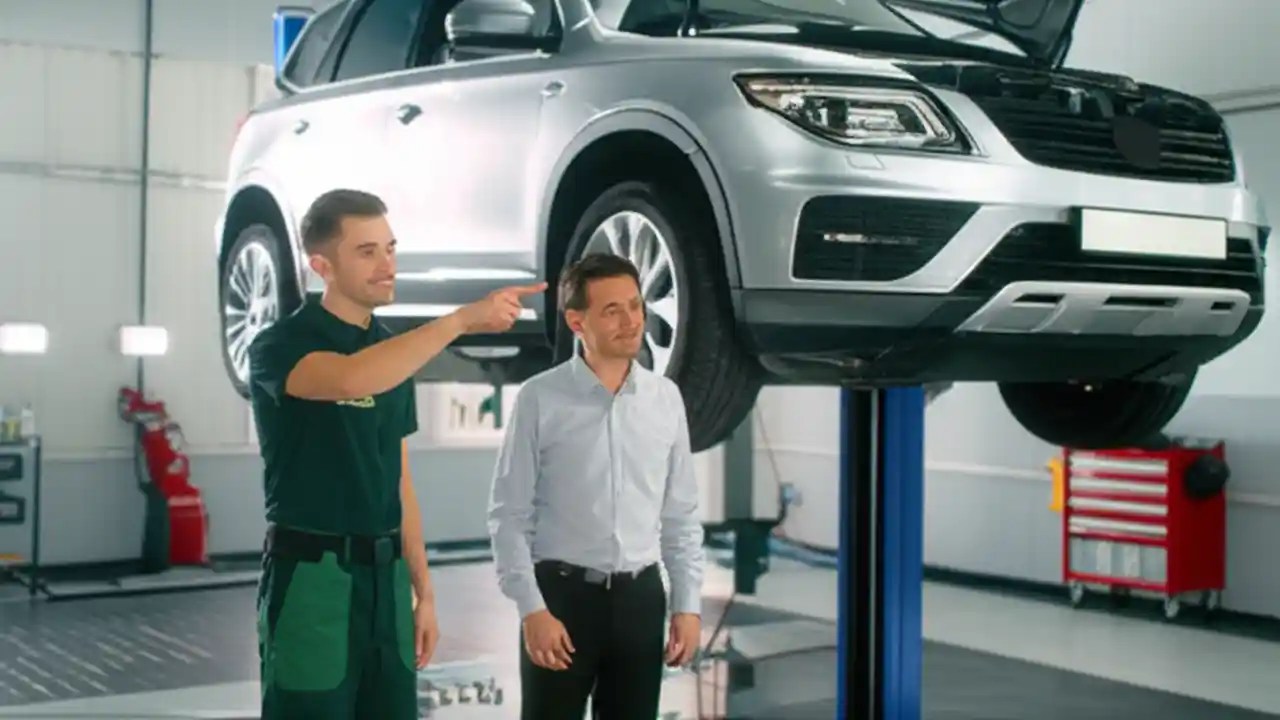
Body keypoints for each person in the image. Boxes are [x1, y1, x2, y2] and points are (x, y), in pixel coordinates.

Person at [247, 188, 545, 719]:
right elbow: (346, 378)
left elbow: (399, 479)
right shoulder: (280, 345)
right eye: (366, 252)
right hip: (315, 579)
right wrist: (460, 320)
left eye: (390, 247)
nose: (387, 264)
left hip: (387, 585)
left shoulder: (391, 350)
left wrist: (423, 592)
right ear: (322, 266)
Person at [487, 253, 706, 720]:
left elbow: (680, 515)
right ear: (576, 321)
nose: (631, 321)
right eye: (612, 310)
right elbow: (509, 516)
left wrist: (687, 606)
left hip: (640, 601)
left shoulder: (665, 399)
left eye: (635, 305)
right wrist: (532, 610)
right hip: (562, 600)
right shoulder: (540, 398)